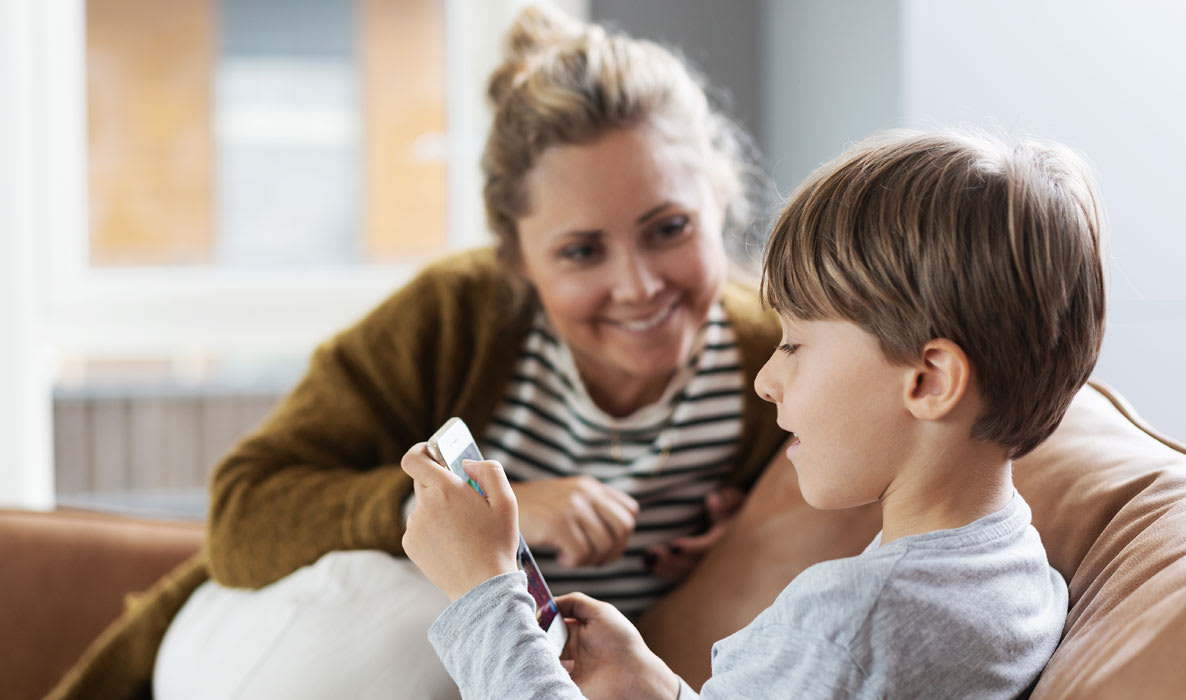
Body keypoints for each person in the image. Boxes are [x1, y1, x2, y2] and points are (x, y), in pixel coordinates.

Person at [49, 6, 878, 700]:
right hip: (304, 635)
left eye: (669, 229)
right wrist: (457, 518)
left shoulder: (772, 355)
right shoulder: (456, 318)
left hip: (517, 681)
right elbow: (242, 511)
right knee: (422, 622)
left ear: (719, 201)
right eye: (581, 252)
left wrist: (731, 538)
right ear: (518, 258)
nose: (638, 286)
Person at [401, 128, 1108, 698]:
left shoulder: (853, 625)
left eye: (795, 344)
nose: (767, 381)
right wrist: (656, 688)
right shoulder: (1008, 562)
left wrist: (485, 592)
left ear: (929, 381)